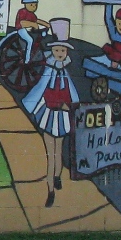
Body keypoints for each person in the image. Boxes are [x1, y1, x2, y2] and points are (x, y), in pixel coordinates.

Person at [20, 39, 79, 207]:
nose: (60, 53)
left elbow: (70, 92)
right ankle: (51, 190)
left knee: (58, 152)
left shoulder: (64, 72)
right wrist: (61, 104)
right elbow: (45, 91)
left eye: (63, 50)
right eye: (57, 50)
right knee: (51, 156)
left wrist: (70, 105)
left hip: (62, 117)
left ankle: (57, 177)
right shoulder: (49, 70)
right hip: (49, 116)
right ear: (52, 51)